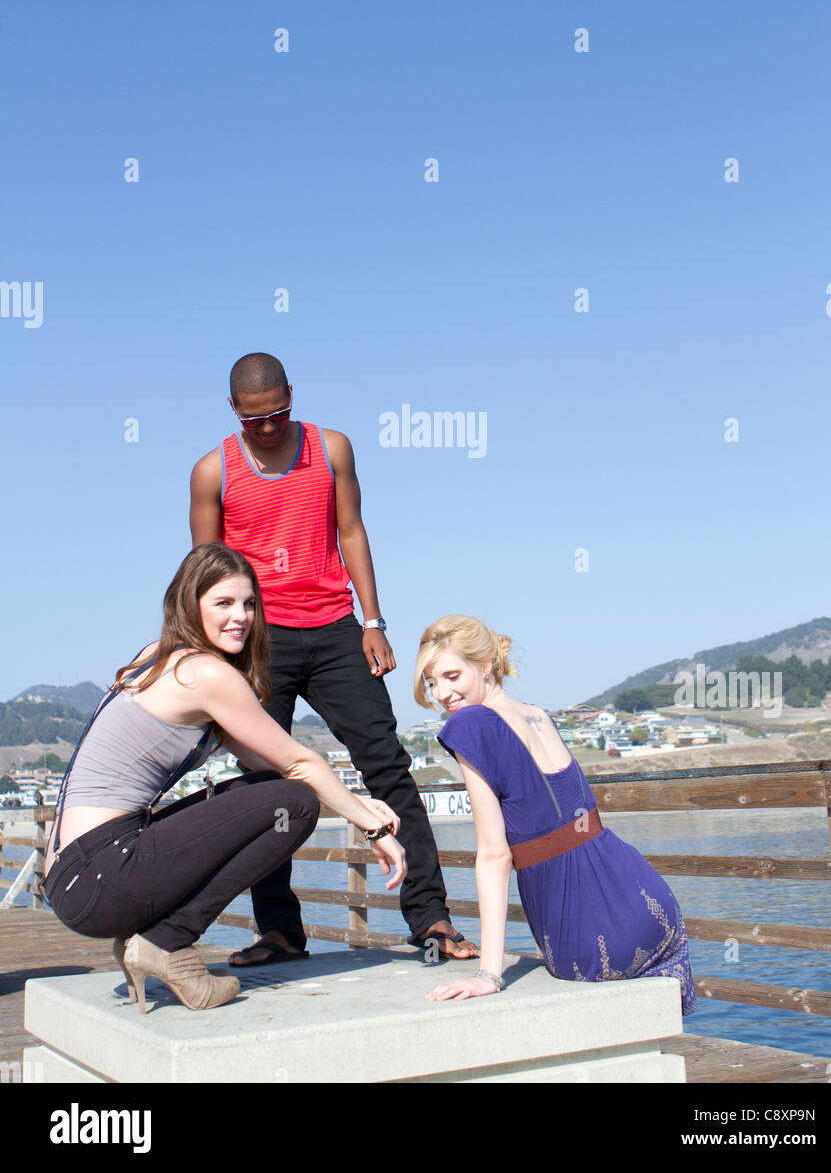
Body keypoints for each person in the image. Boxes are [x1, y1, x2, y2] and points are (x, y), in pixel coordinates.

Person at [188, 352, 476, 965]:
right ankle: (281, 933)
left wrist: (372, 621)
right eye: (254, 419)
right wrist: (212, 658)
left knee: (388, 767)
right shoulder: (212, 471)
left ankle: (433, 919)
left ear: (292, 396)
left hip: (336, 630)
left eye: (279, 414)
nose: (268, 427)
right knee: (266, 785)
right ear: (233, 409)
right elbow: (206, 573)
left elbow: (351, 531)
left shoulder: (332, 448)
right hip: (259, 641)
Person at [41, 544, 406, 1014]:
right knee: (294, 805)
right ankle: (166, 942)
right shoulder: (206, 673)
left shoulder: (158, 656)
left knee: (274, 793)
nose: (242, 617)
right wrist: (373, 827)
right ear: (190, 604)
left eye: (249, 603)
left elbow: (268, 767)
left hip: (74, 875)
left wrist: (358, 803)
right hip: (102, 873)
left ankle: (149, 939)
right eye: (223, 603)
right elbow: (299, 766)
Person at [414, 615, 698, 1011]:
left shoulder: (470, 723)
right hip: (650, 903)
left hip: (590, 929)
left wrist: (489, 974)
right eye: (432, 683)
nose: (442, 694)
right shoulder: (536, 714)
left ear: (483, 666)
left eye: (451, 676)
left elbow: (495, 855)